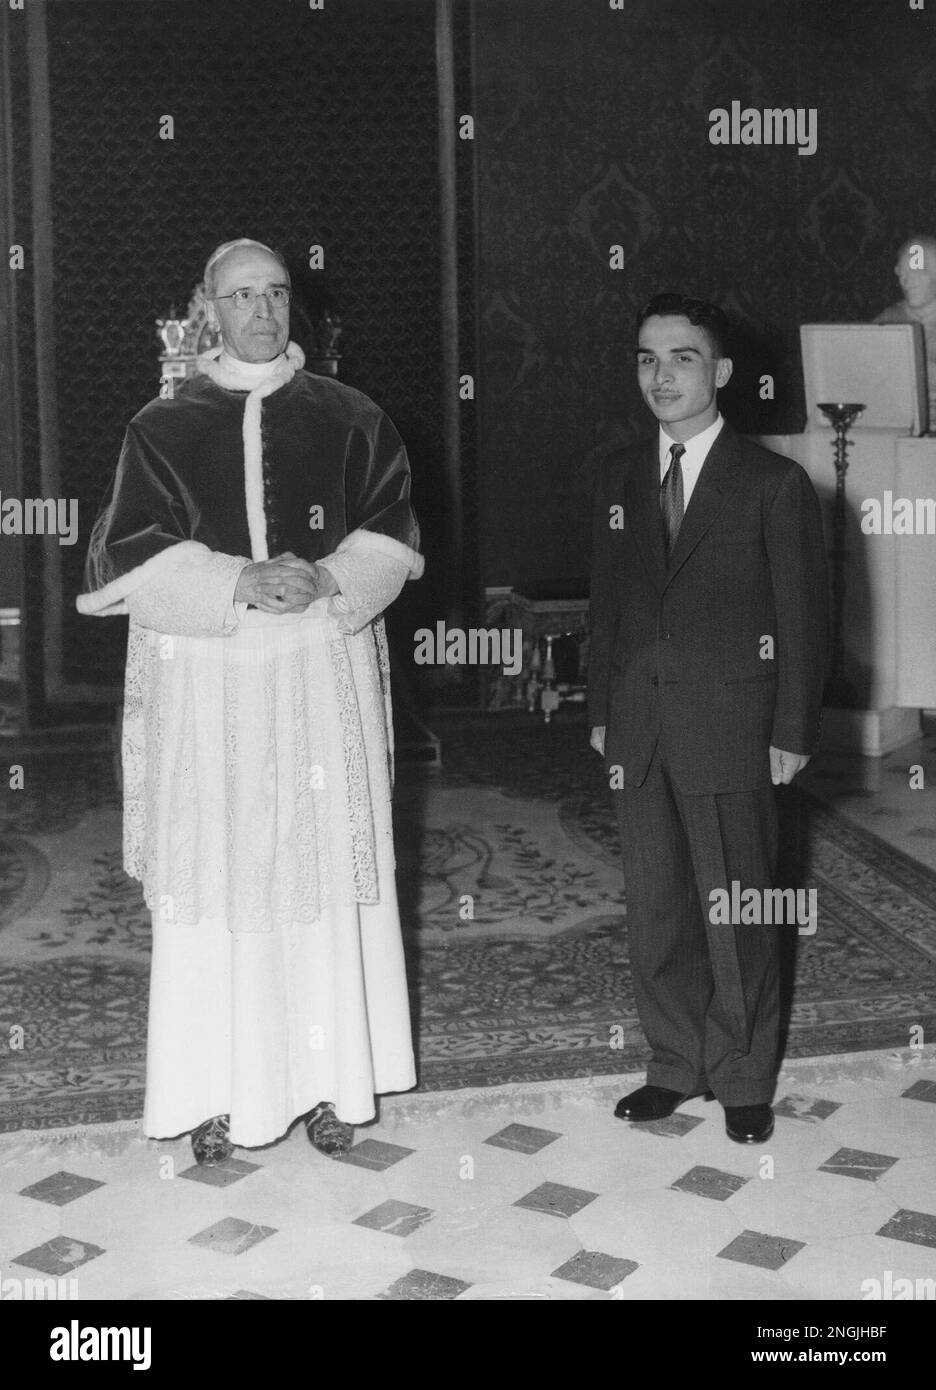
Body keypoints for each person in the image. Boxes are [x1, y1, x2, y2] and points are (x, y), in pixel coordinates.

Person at [78, 237, 423, 1164]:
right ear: (208, 312)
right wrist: (237, 581)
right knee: (227, 880)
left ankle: (328, 1087)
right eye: (240, 298)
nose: (262, 313)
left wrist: (326, 578)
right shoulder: (162, 425)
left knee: (315, 882)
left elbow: (391, 539)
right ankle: (220, 1093)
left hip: (319, 673)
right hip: (212, 687)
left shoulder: (353, 417)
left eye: (275, 294)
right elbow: (128, 564)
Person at [588, 293, 828, 1144]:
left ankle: (743, 1076)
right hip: (641, 728)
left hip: (734, 729)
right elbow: (609, 601)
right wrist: (600, 709)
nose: (662, 375)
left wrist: (793, 729)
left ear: (720, 372)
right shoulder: (622, 475)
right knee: (657, 908)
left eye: (682, 358)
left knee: (739, 911)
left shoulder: (773, 483)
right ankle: (672, 1065)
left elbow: (804, 620)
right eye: (648, 358)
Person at [875, 235, 936, 432]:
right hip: (899, 430)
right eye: (903, 274)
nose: (908, 282)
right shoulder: (886, 321)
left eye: (918, 273)